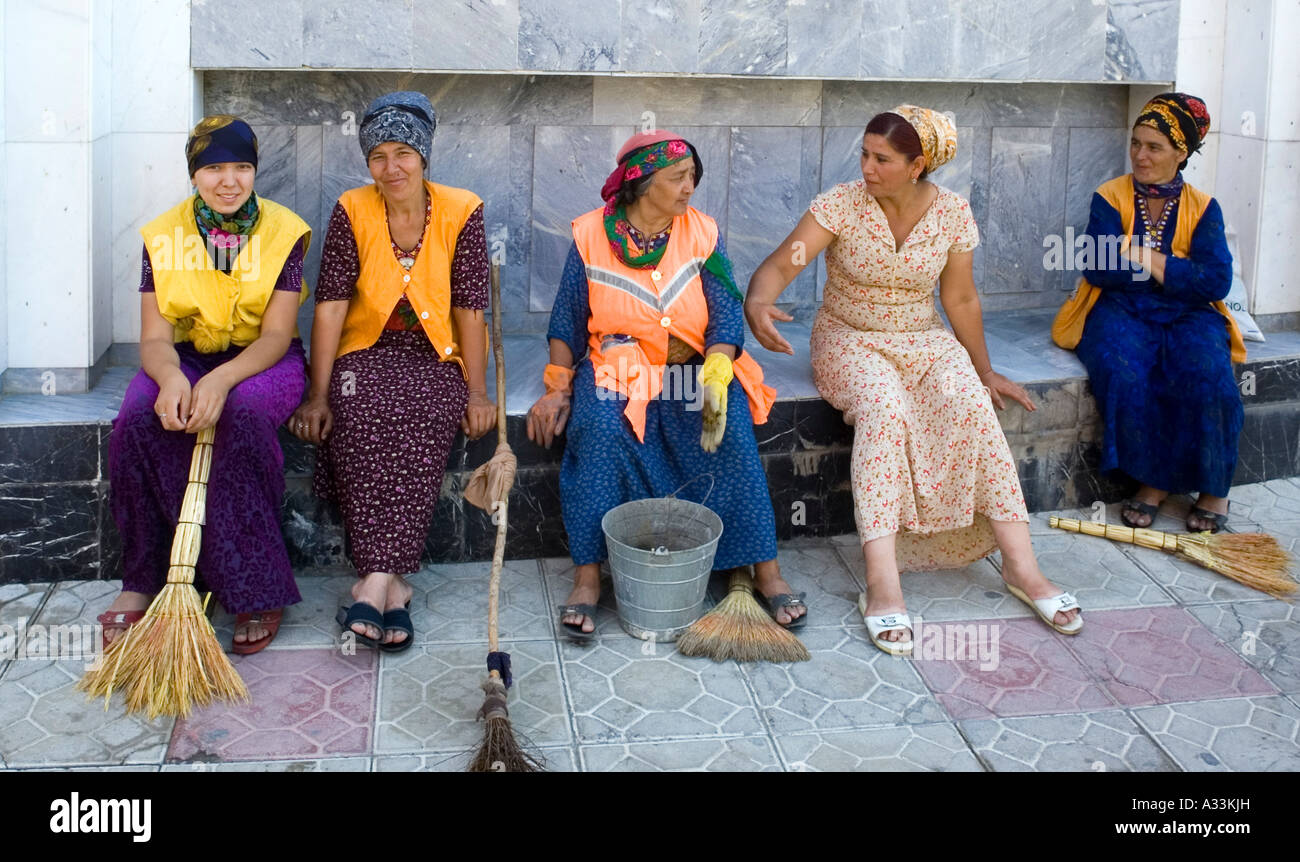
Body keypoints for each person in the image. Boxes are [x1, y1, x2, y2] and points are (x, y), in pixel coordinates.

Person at [746, 106, 1081, 656]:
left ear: (917, 165)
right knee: (884, 410)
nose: (867, 167)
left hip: (924, 338)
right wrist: (759, 298)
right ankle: (882, 584)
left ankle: (1023, 569)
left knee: (971, 403)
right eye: (865, 153)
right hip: (849, 338)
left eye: (883, 159)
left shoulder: (952, 214)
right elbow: (785, 262)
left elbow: (960, 298)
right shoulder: (842, 206)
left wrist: (985, 369)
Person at [526, 129, 808, 641]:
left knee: (729, 429)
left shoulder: (703, 232)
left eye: (692, 177)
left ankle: (766, 571)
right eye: (678, 178)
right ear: (639, 183)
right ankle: (588, 576)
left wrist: (719, 370)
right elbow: (566, 321)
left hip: (692, 366)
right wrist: (557, 386)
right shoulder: (590, 235)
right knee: (596, 430)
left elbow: (725, 310)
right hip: (620, 367)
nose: (689, 188)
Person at [289, 91, 495, 652]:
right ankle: (393, 584)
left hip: (434, 353)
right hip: (364, 351)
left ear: (424, 155)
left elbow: (470, 307)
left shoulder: (462, 209)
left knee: (427, 409)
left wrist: (478, 391)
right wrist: (318, 394)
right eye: (378, 155)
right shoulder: (352, 208)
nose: (391, 167)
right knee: (358, 408)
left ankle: (372, 580)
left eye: (403, 152)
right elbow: (330, 304)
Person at [101, 115, 312, 655]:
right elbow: (153, 339)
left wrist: (219, 381)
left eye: (241, 167)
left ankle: (257, 586)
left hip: (265, 361)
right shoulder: (163, 235)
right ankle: (145, 578)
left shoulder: (284, 231)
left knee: (241, 414)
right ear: (194, 173)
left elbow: (276, 335)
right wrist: (171, 375)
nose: (229, 180)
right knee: (138, 417)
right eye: (213, 167)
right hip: (185, 355)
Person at [1053, 93, 1243, 533]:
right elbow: (1100, 266)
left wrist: (1142, 253)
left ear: (1181, 153)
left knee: (1207, 371)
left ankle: (1215, 488)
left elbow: (1214, 281)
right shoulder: (1110, 197)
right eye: (1136, 143)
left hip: (1189, 313)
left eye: (1154, 147)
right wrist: (1176, 271)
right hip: (1121, 307)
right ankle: (1152, 483)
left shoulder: (1203, 207)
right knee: (1126, 369)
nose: (1140, 155)